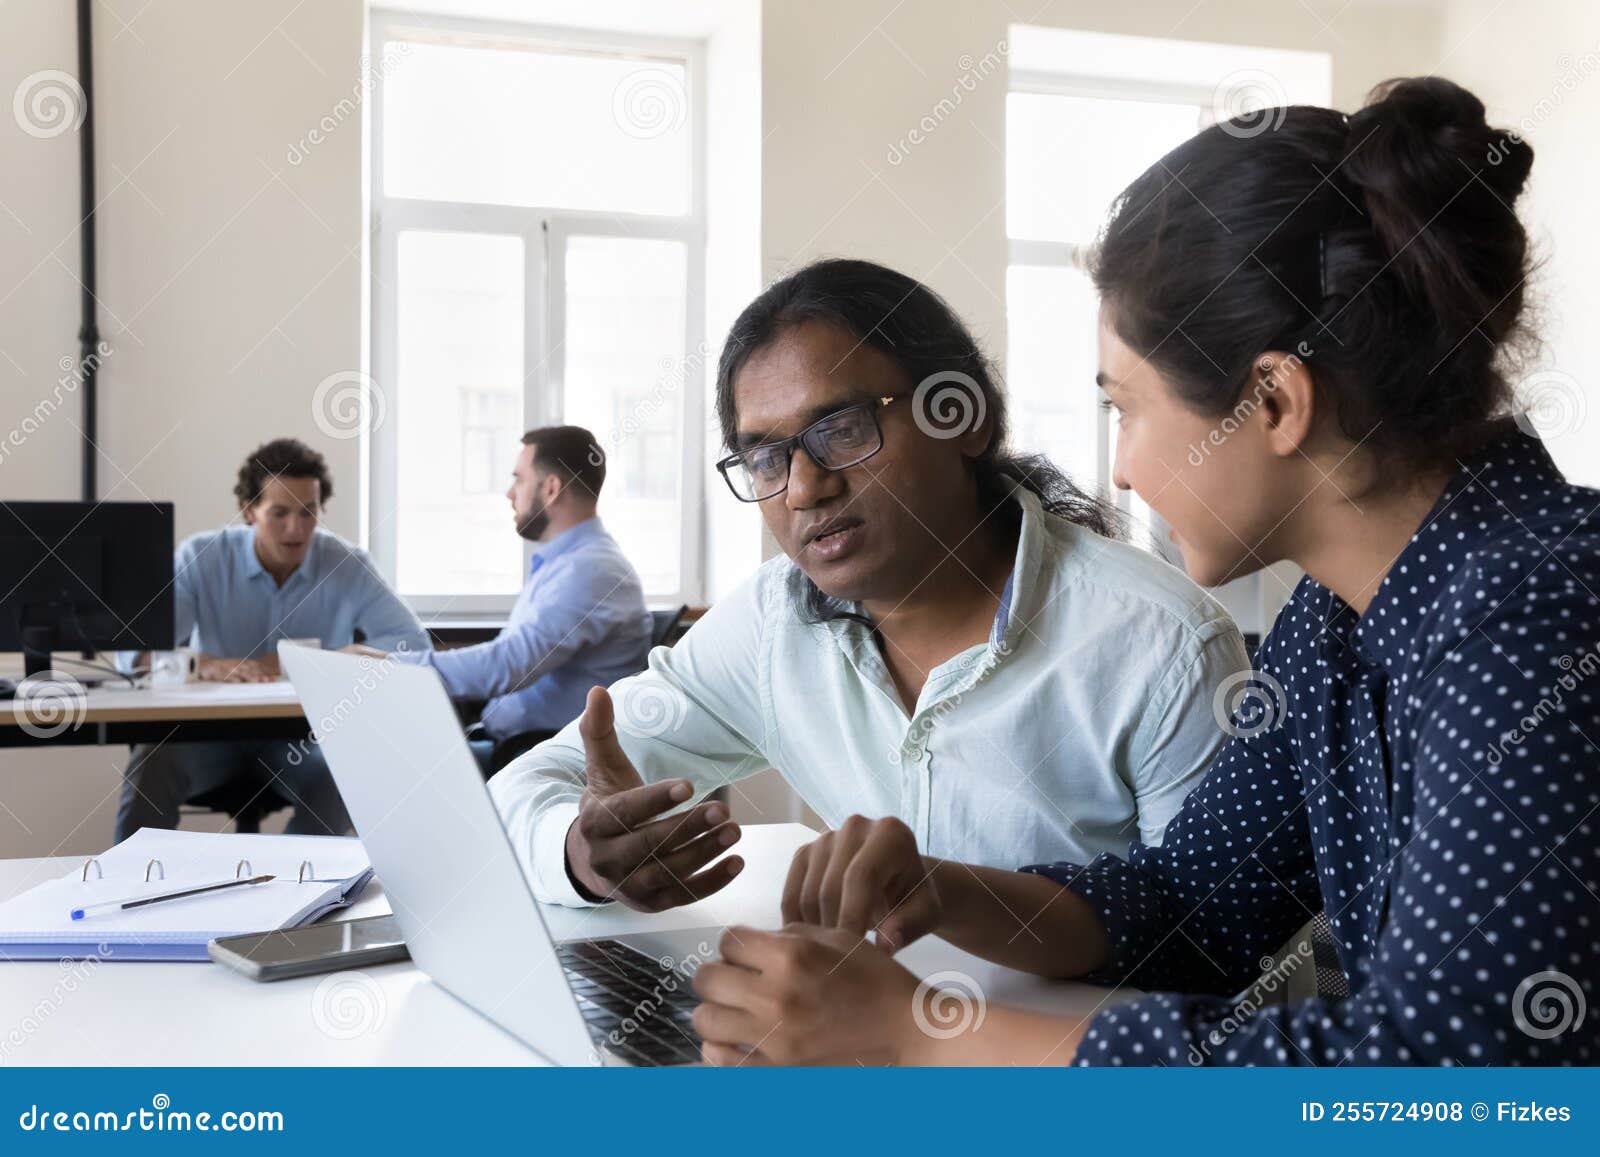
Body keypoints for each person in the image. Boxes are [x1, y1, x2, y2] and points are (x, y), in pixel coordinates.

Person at [687, 78, 1600, 1067]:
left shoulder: (1541, 609)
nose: (1118, 466)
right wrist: (945, 889)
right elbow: (1194, 903)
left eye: (1126, 408)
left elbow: (1451, 1077)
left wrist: (920, 1034)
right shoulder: (1333, 623)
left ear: (1274, 401)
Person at [489, 258, 1250, 912]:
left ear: (965, 417)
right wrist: (584, 854)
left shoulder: (1162, 647)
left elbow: (1214, 961)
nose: (803, 488)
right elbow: (534, 780)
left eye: (845, 429)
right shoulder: (772, 623)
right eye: (765, 457)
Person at [116, 438, 427, 839]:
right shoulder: (203, 556)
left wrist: (316, 661)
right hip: (208, 737)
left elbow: (412, 645)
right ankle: (130, 887)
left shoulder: (346, 565)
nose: (296, 529)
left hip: (304, 738)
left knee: (343, 771)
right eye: (279, 513)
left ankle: (301, 889)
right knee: (151, 763)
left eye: (308, 512)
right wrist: (204, 664)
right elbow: (132, 654)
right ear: (249, 512)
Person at [370, 427, 652, 770]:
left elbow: (508, 665)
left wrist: (386, 668)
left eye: (518, 480)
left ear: (550, 488)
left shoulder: (591, 571)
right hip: (519, 745)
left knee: (392, 766)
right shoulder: (566, 564)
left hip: (545, 756)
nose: (509, 493)